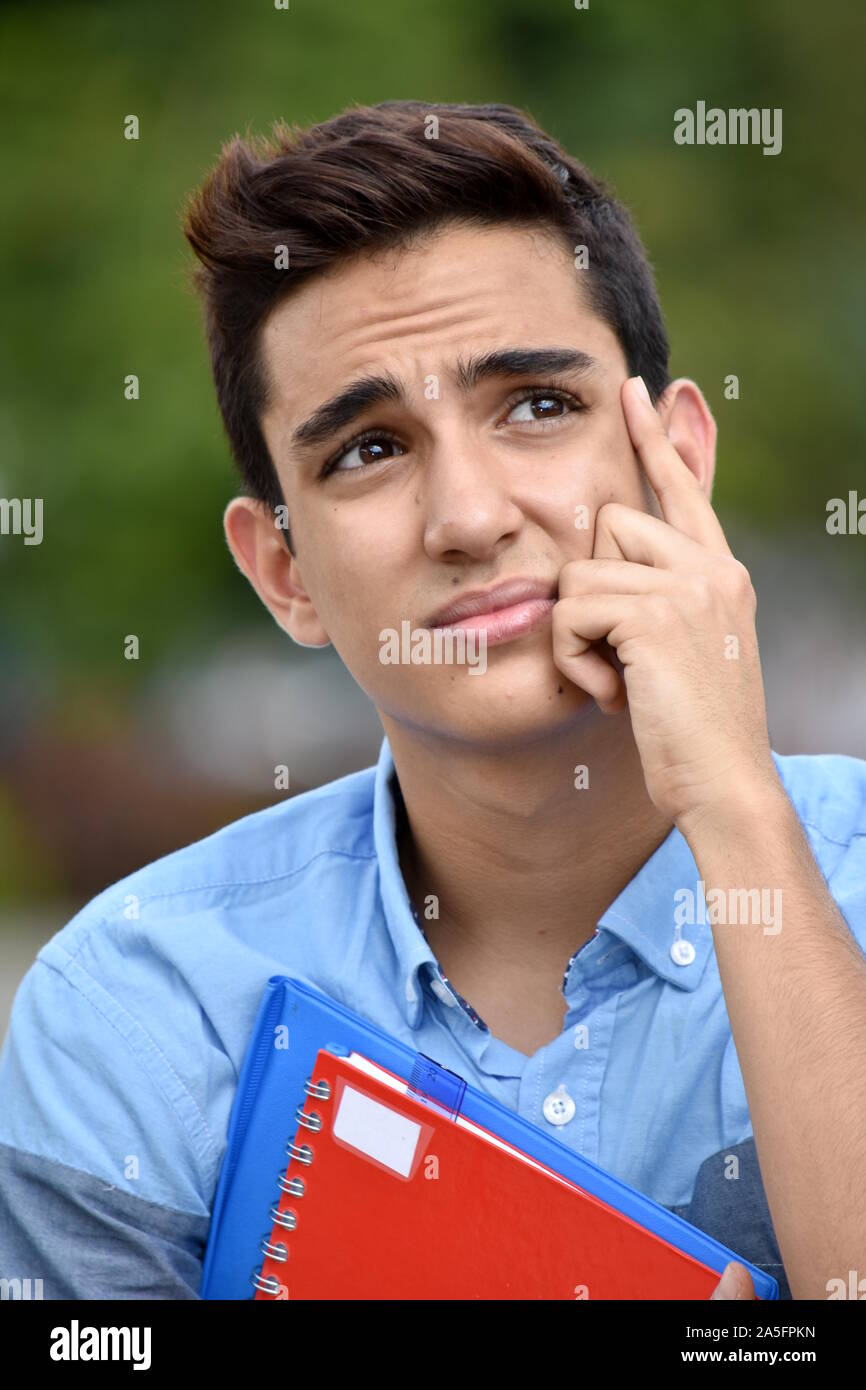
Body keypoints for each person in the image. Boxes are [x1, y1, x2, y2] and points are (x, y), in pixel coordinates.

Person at [2, 101, 864, 1302]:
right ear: (283, 572)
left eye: (535, 405)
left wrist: (735, 806)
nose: (467, 517)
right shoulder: (137, 1011)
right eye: (367, 449)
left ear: (677, 458)